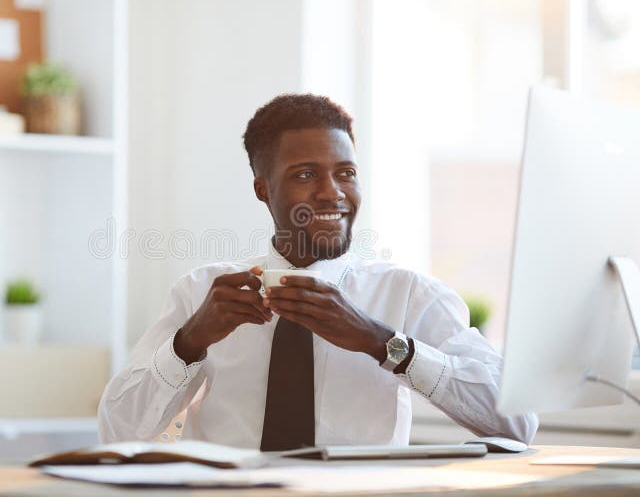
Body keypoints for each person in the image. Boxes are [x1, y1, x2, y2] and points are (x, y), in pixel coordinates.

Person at [98, 94, 538, 450]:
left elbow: (517, 423)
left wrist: (381, 342)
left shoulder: (410, 295)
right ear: (262, 188)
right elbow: (118, 432)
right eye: (306, 174)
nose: (333, 193)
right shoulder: (201, 292)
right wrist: (189, 341)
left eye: (346, 173)